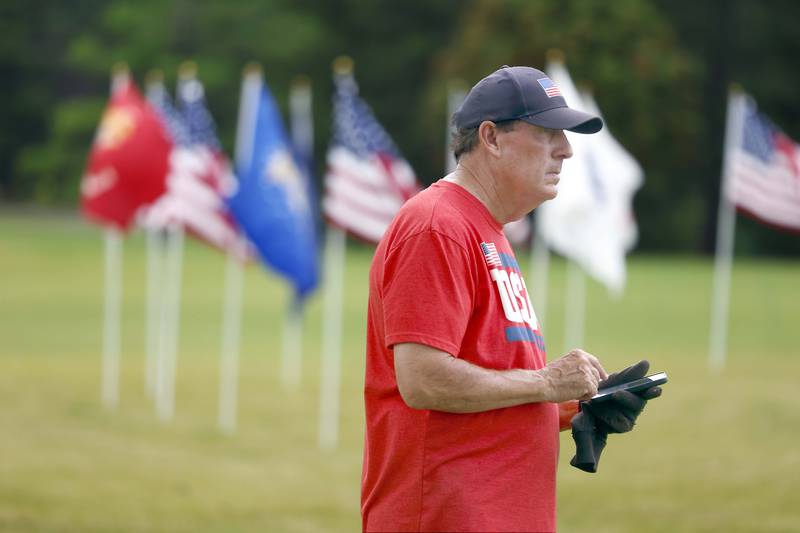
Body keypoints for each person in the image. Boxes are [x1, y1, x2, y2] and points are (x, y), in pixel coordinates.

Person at [361, 65, 660, 533]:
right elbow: (423, 380)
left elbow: (490, 376)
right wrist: (546, 384)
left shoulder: (485, 229)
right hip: (446, 517)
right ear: (491, 138)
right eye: (548, 132)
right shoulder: (437, 226)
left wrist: (575, 405)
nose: (566, 149)